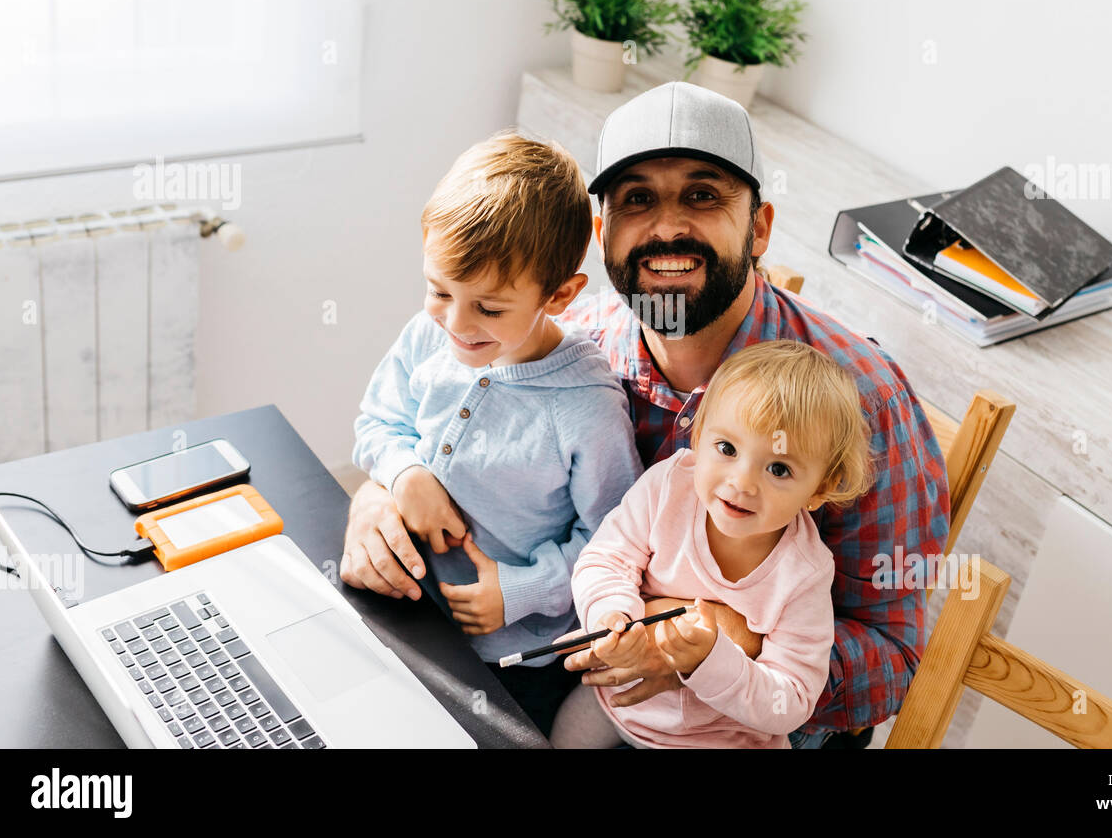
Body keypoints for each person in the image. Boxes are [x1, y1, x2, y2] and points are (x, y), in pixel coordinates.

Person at [344, 82, 950, 748]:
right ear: (602, 235)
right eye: (637, 199)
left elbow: (896, 659)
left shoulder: (864, 400)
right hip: (571, 690)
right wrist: (381, 492)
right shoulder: (566, 343)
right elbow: (434, 418)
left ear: (760, 229)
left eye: (703, 195)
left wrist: (730, 643)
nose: (666, 227)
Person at [348, 131, 643, 735]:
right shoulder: (429, 334)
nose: (455, 323)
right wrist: (405, 475)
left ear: (559, 295)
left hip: (514, 653)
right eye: (439, 291)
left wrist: (521, 589)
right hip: (409, 603)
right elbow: (378, 420)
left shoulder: (585, 409)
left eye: (488, 308)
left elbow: (616, 542)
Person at [549, 340, 873, 748]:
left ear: (819, 490)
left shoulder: (804, 574)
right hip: (617, 704)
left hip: (722, 738)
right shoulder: (669, 487)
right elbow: (606, 559)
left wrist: (711, 660)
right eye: (727, 448)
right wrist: (611, 615)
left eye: (778, 468)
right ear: (698, 437)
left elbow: (791, 700)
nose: (741, 483)